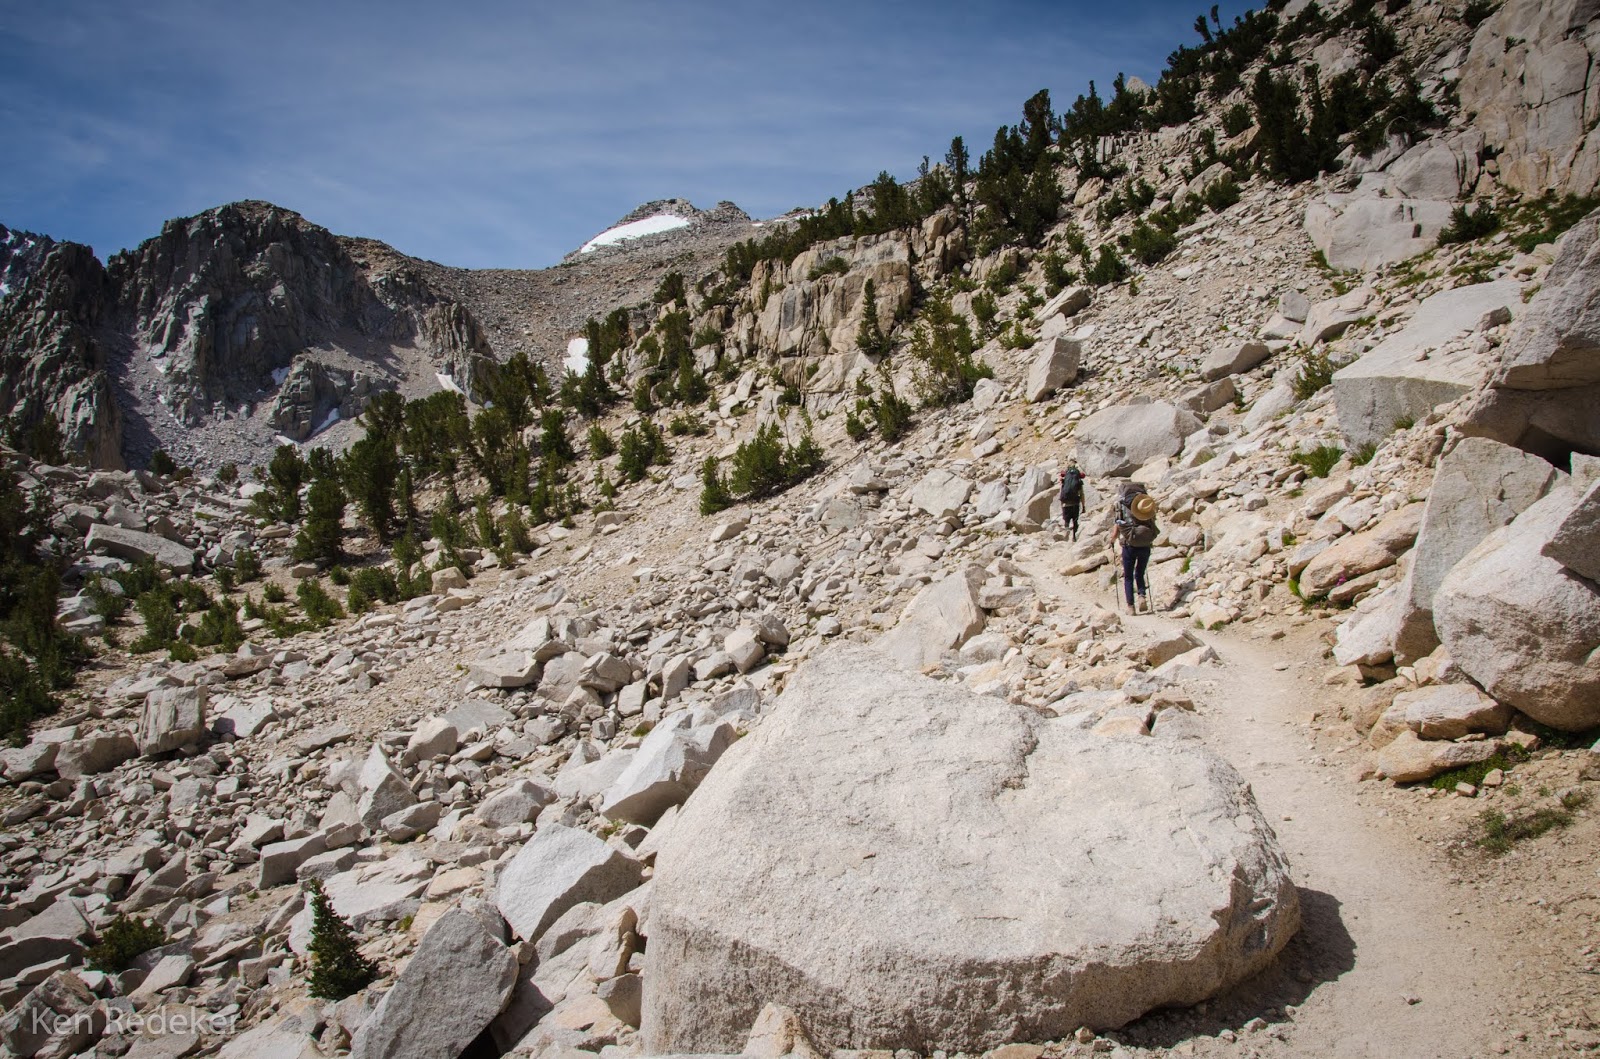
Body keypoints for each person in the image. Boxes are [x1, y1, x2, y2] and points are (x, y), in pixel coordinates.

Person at [1111, 480, 1158, 612]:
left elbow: (1117, 525)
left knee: (1128, 576)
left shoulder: (1122, 505)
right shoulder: (1147, 507)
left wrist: (1112, 539)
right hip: (1145, 544)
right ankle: (1142, 596)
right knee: (1140, 573)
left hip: (1129, 544)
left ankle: (1130, 607)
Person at [1058, 461, 1085, 541]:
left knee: (1066, 522)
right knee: (1075, 522)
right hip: (1075, 504)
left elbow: (1061, 493)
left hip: (1066, 504)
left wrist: (1062, 505)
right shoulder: (1078, 481)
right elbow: (1082, 494)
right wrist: (1083, 506)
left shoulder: (1064, 480)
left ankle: (1065, 538)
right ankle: (1074, 538)